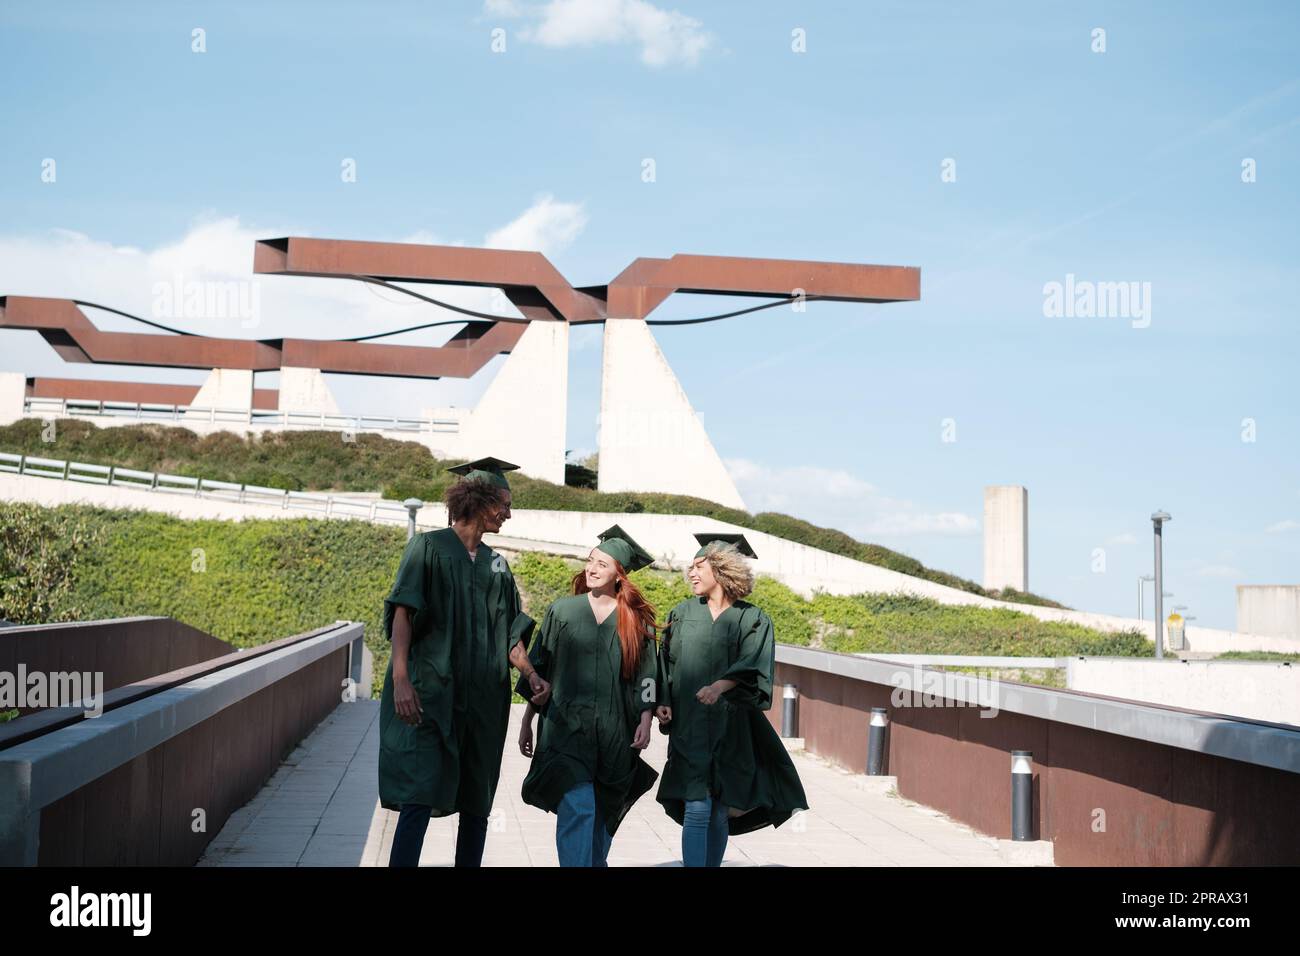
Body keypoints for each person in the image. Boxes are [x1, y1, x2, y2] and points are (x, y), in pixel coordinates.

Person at [378, 456, 544, 867]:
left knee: (477, 802)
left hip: (484, 703)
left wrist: (530, 672)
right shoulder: (428, 547)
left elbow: (510, 635)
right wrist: (401, 678)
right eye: (504, 503)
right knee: (419, 794)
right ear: (479, 500)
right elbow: (403, 612)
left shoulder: (498, 566)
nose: (508, 513)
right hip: (429, 693)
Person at [654, 532, 809, 867]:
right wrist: (662, 701)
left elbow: (754, 663)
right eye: (690, 568)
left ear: (722, 570)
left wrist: (719, 687)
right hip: (690, 728)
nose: (691, 574)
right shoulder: (680, 614)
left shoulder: (753, 619)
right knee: (696, 807)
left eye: (699, 567)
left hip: (732, 728)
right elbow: (663, 662)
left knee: (719, 810)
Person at [516, 525, 660, 867]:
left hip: (616, 735)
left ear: (619, 576)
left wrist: (645, 720)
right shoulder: (562, 612)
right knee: (579, 805)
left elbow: (648, 676)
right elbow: (540, 668)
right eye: (590, 561)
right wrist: (526, 721)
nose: (591, 569)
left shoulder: (637, 622)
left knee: (602, 814)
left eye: (602, 565)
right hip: (565, 730)